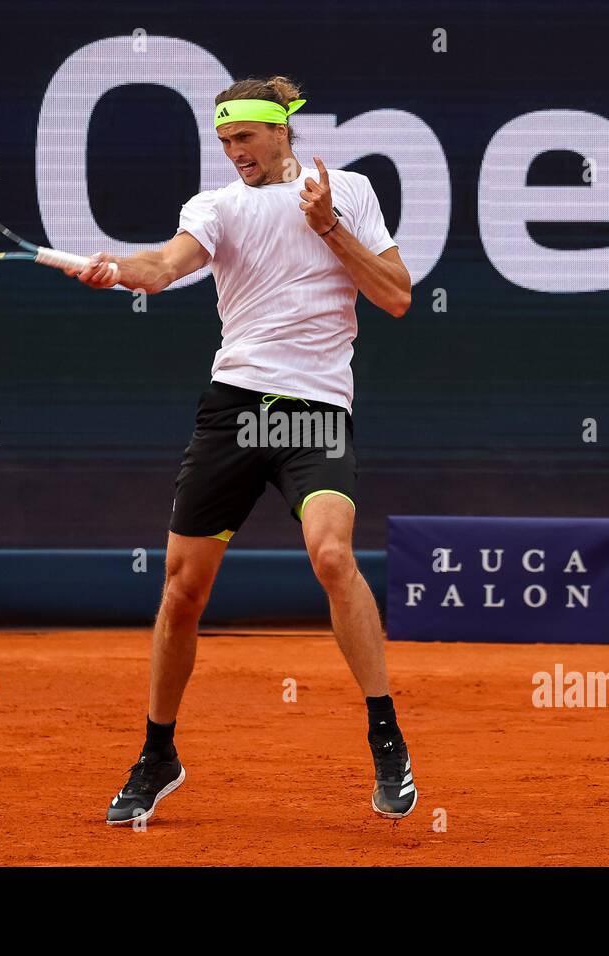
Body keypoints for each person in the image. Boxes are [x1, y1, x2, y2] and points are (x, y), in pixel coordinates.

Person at [69, 75, 415, 825]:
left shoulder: (347, 191)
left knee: (332, 555)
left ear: (281, 130)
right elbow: (163, 267)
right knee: (182, 592)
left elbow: (395, 294)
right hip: (233, 411)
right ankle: (159, 753)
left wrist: (329, 227)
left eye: (245, 139)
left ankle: (385, 733)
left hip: (316, 409)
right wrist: (114, 269)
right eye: (224, 142)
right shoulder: (218, 207)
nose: (234, 153)